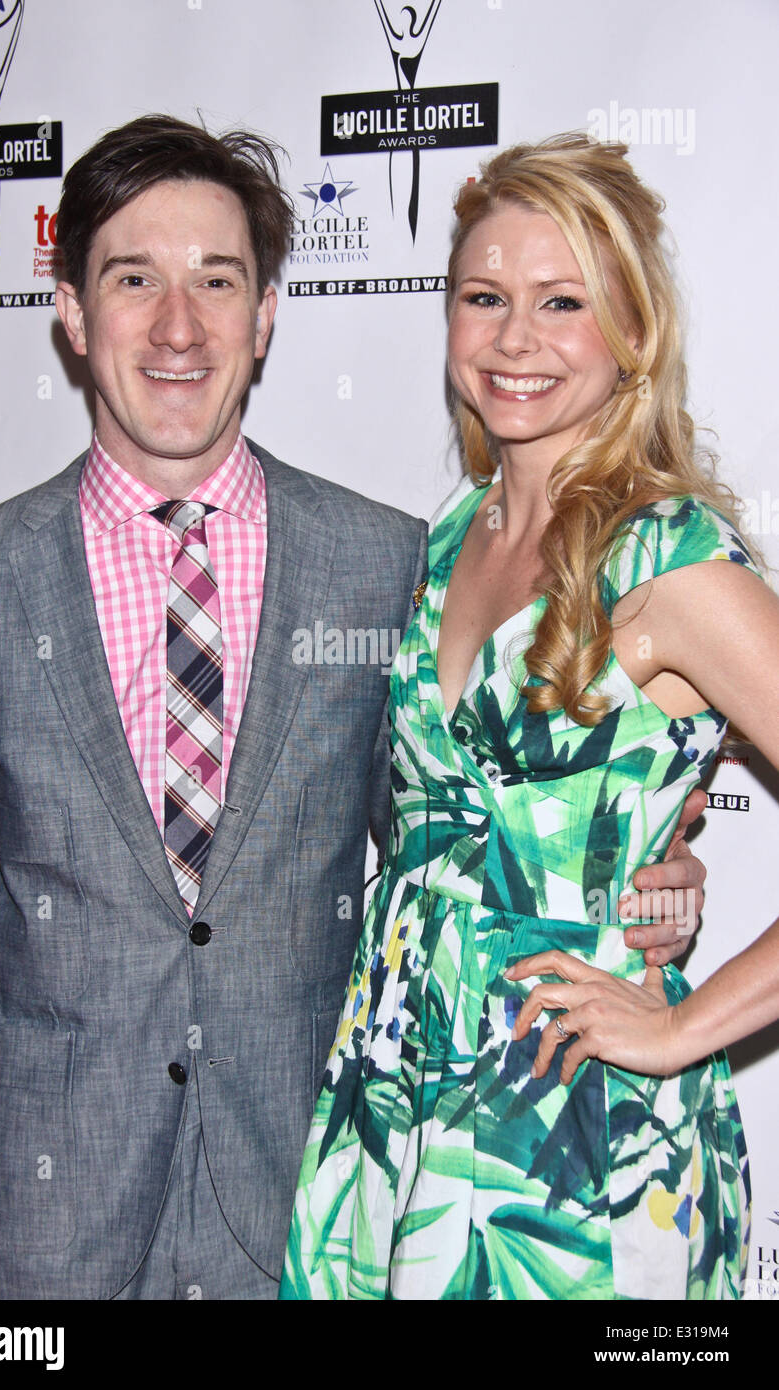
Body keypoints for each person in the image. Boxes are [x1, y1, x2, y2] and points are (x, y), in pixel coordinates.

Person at [0, 117, 703, 1303]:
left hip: (314, 1194)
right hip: (40, 1204)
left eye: (217, 282)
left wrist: (644, 865)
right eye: (133, 280)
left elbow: (469, 809)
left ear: (266, 313)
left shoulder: (391, 564)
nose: (178, 327)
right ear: (72, 312)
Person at [280, 133, 764, 1301]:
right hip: (390, 1093)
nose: (512, 340)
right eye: (482, 298)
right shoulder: (444, 538)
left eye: (562, 302)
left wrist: (680, 1026)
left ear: (633, 333)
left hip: (567, 1136)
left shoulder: (670, 561)